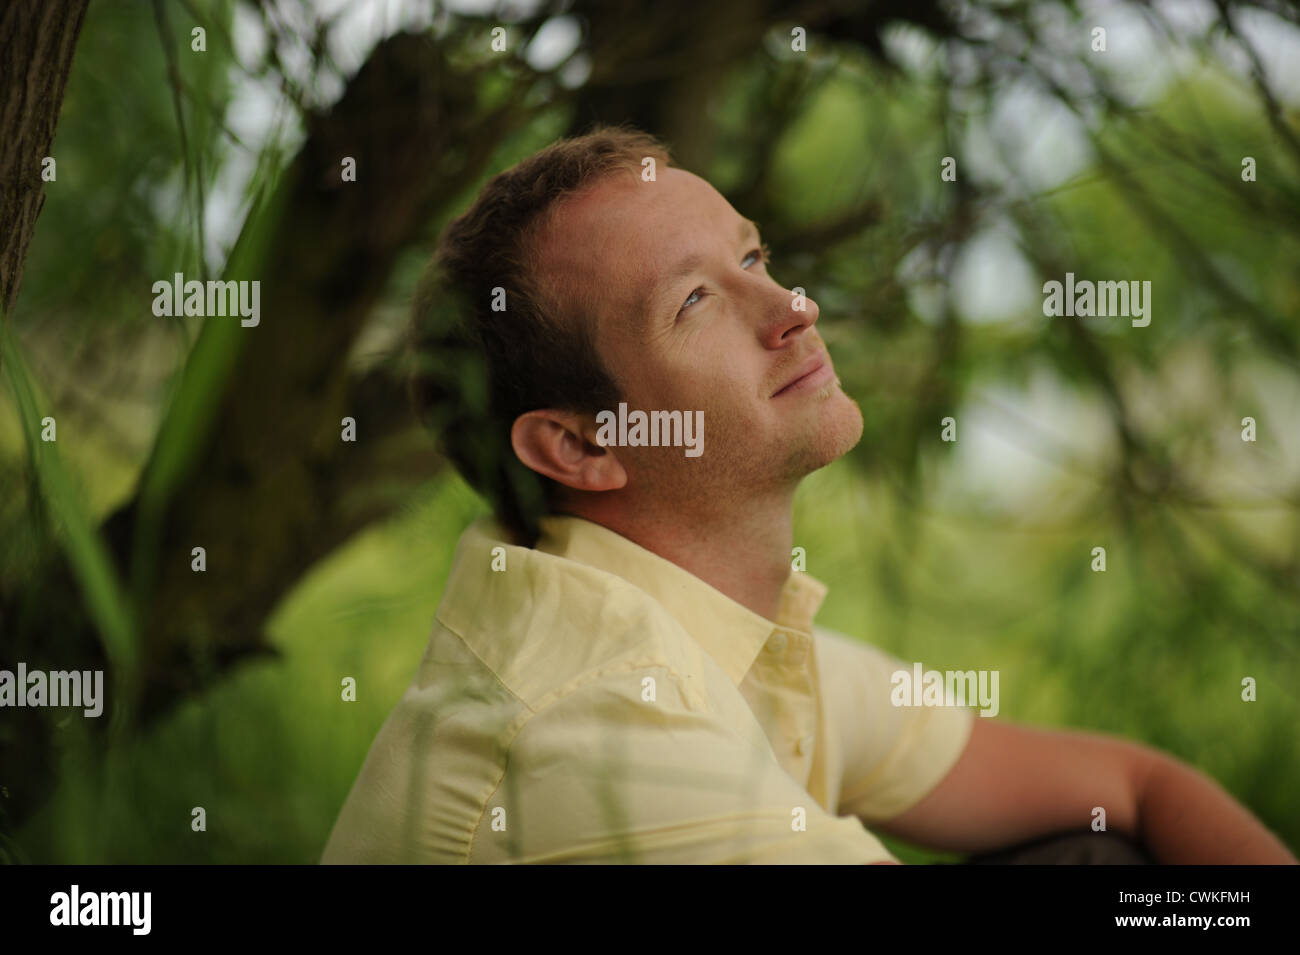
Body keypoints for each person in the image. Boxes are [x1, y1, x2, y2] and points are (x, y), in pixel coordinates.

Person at [320, 124, 1296, 865]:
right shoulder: (599, 726)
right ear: (581, 445)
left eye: (750, 258)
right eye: (693, 302)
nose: (791, 309)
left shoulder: (735, 640)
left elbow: (1131, 785)